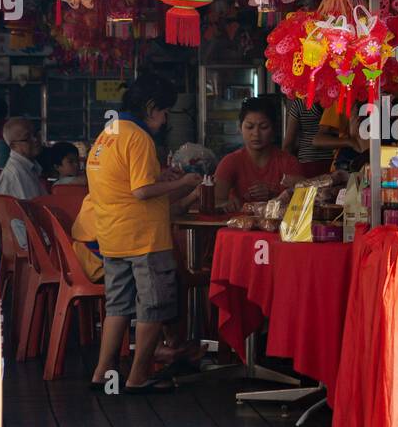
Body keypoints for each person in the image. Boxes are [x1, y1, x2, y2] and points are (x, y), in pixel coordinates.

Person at [86, 73, 199, 394]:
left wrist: (163, 176)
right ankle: (137, 378)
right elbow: (142, 191)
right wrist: (184, 183)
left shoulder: (109, 133)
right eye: (164, 112)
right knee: (154, 305)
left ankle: (102, 372)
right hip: (143, 237)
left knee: (118, 306)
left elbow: (125, 181)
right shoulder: (138, 137)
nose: (164, 120)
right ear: (151, 108)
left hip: (112, 234)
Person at [214, 97, 304, 211]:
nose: (256, 133)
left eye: (263, 127)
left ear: (274, 129)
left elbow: (301, 205)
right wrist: (227, 204)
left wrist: (273, 196)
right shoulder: (231, 162)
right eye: (249, 127)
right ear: (240, 128)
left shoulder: (288, 162)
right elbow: (215, 202)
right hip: (238, 226)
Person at [0, 117, 46, 199]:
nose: (35, 139)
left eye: (36, 134)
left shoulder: (29, 167)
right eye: (27, 138)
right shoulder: (15, 175)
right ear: (13, 146)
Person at [283, 98, 332, 177]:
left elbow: (288, 144)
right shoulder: (336, 100)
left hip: (307, 162)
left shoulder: (300, 103)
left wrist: (286, 172)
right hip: (334, 161)